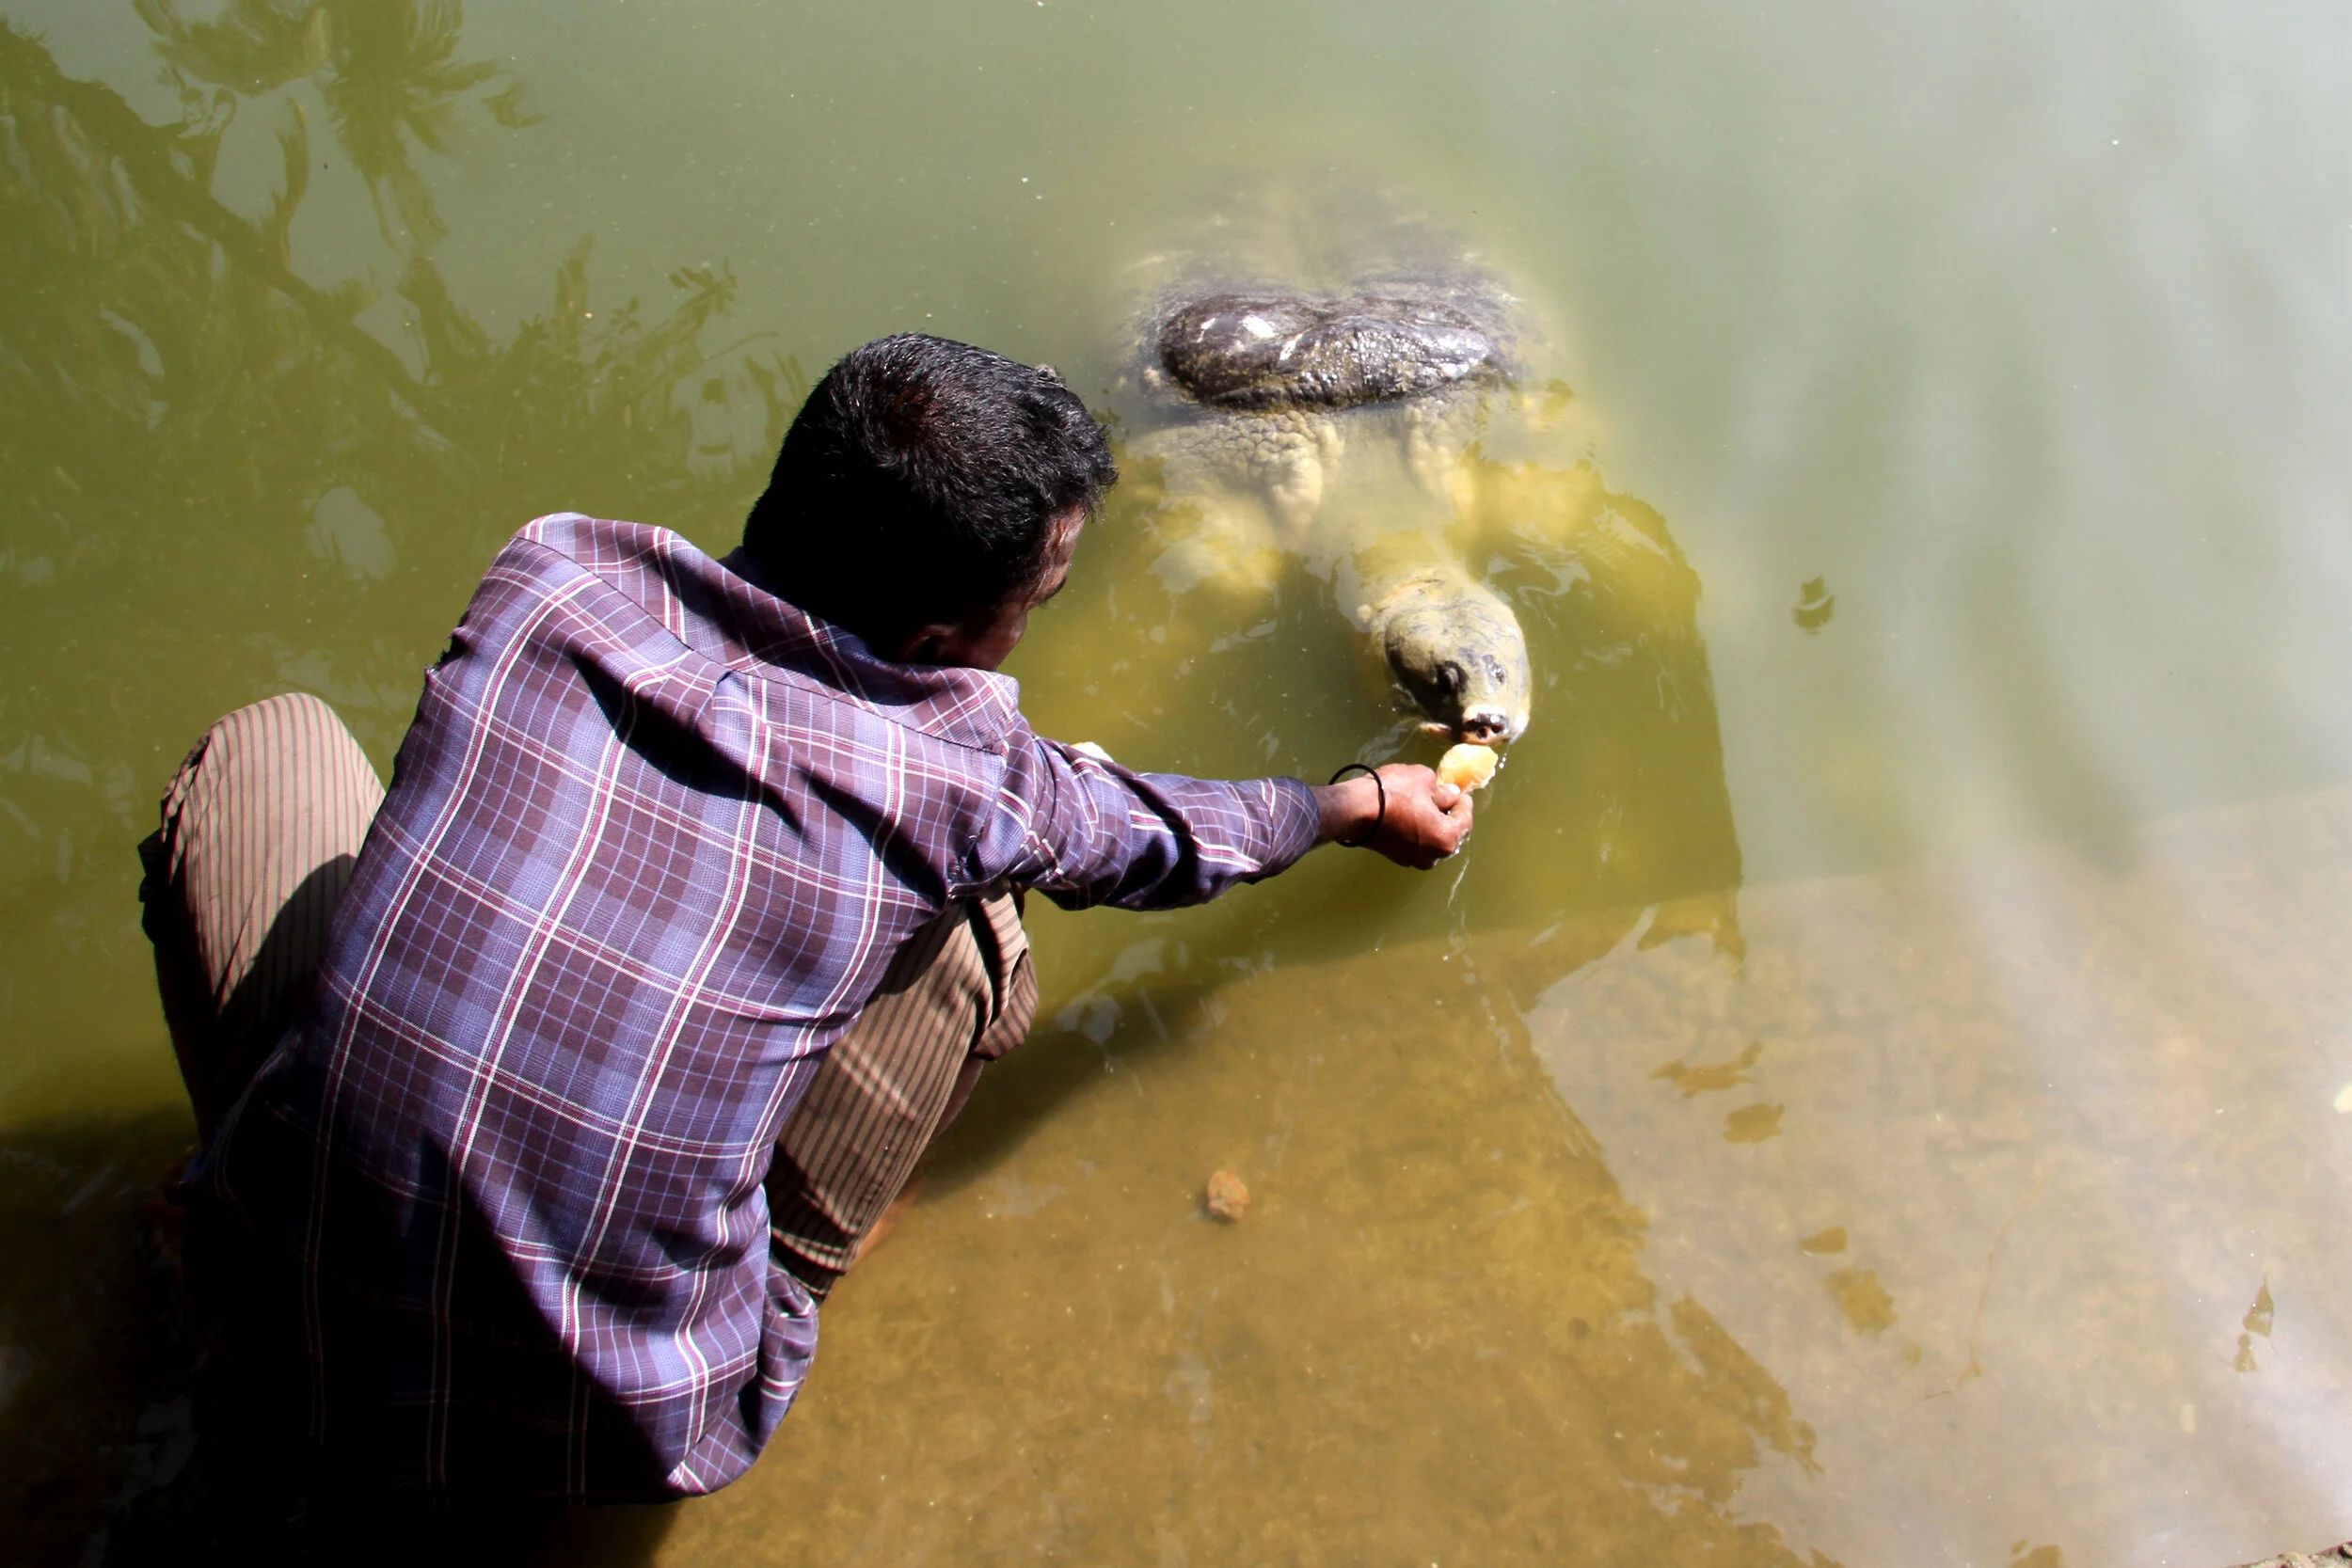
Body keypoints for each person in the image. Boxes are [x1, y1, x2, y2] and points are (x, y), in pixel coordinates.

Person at [144, 334, 1472, 1503]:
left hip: (267, 1329)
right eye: (1043, 594)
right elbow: (1155, 836)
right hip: (628, 1430)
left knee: (275, 745)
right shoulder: (958, 774)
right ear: (958, 631)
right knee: (972, 946)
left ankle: (291, 1174)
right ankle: (797, 1258)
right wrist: (1352, 800)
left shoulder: (550, 577)